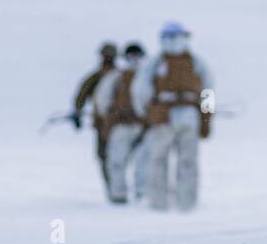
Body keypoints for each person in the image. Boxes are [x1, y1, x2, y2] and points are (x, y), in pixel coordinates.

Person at [132, 22, 214, 211]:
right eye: (170, 38)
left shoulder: (196, 63)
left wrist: (207, 118)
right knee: (158, 160)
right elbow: (141, 91)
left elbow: (208, 90)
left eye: (178, 37)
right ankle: (158, 204)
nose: (175, 42)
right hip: (162, 119)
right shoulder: (154, 64)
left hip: (189, 118)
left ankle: (187, 205)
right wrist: (148, 114)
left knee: (188, 161)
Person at [92, 42, 148, 204]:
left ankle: (143, 193)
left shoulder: (150, 76)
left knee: (144, 162)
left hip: (145, 126)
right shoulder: (116, 77)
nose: (134, 60)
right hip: (121, 126)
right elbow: (102, 100)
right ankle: (118, 195)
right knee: (116, 161)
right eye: (131, 57)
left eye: (138, 57)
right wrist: (109, 119)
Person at [72, 42, 118, 187]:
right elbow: (81, 96)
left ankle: (118, 186)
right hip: (102, 123)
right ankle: (112, 185)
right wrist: (77, 113)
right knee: (104, 155)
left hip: (120, 122)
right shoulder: (95, 77)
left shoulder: (121, 76)